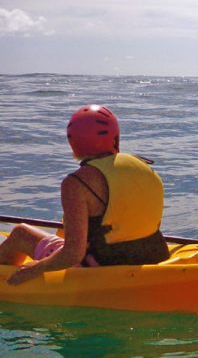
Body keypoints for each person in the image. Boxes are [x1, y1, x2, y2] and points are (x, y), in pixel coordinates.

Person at [0, 105, 169, 285]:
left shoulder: (76, 183)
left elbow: (72, 255)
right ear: (115, 138)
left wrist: (35, 268)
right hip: (153, 255)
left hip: (101, 267)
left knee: (20, 233)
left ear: (73, 143)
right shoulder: (143, 166)